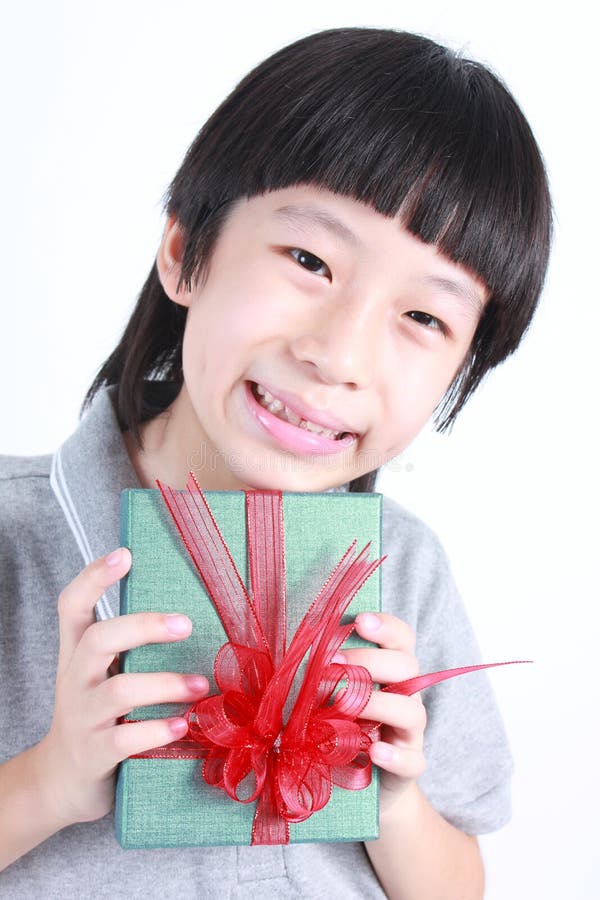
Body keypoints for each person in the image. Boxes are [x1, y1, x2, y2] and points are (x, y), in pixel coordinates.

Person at [0, 26, 551, 900]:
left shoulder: (400, 570)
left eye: (424, 318)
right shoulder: (12, 534)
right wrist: (46, 782)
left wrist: (398, 804)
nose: (339, 354)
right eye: (309, 259)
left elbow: (457, 885)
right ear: (186, 252)